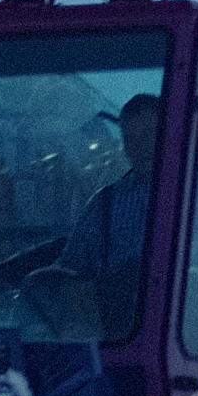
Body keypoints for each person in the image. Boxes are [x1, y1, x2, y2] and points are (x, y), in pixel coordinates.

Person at [56, 91, 168, 322]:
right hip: (122, 328)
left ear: (170, 134)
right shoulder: (104, 205)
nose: (141, 147)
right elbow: (68, 273)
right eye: (131, 139)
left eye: (148, 135)